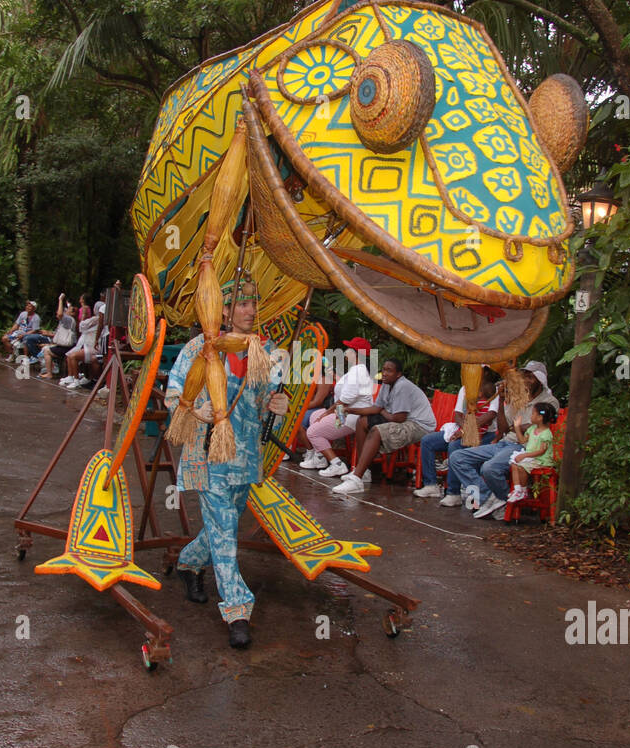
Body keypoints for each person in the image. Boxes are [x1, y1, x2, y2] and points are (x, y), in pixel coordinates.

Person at [164, 277, 288, 649]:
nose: (251, 310)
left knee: (224, 526)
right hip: (207, 453)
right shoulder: (200, 348)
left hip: (246, 455)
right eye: (243, 303)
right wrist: (194, 408)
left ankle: (187, 564)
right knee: (224, 527)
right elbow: (172, 394)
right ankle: (237, 608)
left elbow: (270, 408)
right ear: (224, 309)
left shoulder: (265, 351)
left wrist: (277, 409)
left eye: (254, 302)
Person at [448, 360, 559, 519]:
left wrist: (517, 426)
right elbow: (505, 427)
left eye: (531, 377)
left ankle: (498, 501)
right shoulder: (518, 398)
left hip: (523, 447)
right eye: (525, 376)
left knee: (489, 468)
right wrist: (501, 401)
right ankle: (491, 498)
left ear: (540, 381)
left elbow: (531, 427)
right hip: (504, 443)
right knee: (457, 457)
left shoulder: (549, 401)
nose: (526, 380)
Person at [331, 356, 435, 496]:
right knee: (362, 421)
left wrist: (382, 411)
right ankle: (363, 472)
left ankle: (356, 481)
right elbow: (376, 408)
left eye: (389, 370)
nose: (384, 373)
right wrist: (350, 410)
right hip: (402, 420)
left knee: (376, 431)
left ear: (398, 374)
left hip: (420, 426)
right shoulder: (386, 384)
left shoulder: (402, 386)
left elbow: (398, 418)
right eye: (383, 370)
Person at [413, 368, 498, 502]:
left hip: (485, 435)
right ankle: (431, 485)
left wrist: (465, 432)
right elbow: (457, 414)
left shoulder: (493, 391)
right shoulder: (464, 388)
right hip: (462, 430)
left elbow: (489, 416)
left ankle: (453, 493)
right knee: (427, 441)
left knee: (455, 446)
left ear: (485, 372)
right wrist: (463, 429)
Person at [299, 339, 375, 478]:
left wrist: (328, 413)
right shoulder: (356, 369)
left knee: (312, 432)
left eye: (348, 349)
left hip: (349, 415)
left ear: (356, 353)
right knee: (315, 416)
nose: (345, 352)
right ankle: (320, 458)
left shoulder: (358, 371)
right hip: (345, 411)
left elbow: (345, 400)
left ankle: (337, 465)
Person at [506, 401, 557, 503]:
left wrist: (525, 455)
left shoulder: (546, 434)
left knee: (522, 466)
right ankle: (517, 489)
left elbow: (542, 451)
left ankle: (523, 490)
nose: (531, 415)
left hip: (540, 460)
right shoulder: (532, 429)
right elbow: (522, 441)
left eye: (533, 413)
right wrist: (517, 427)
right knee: (514, 464)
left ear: (540, 418)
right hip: (531, 457)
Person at [59, 302, 103, 388]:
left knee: (73, 356)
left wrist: (82, 316)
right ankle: (71, 377)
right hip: (88, 344)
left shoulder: (97, 319)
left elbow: (82, 326)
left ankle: (76, 380)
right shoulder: (95, 319)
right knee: (69, 355)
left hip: (94, 346)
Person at [37, 298, 78, 379]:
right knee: (46, 347)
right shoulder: (68, 320)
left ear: (72, 312)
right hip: (65, 346)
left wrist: (60, 299)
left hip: (67, 347)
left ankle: (49, 373)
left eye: (68, 309)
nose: (65, 310)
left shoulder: (69, 319)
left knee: (46, 351)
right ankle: (51, 369)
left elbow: (59, 314)